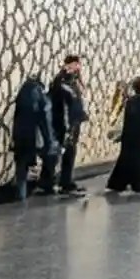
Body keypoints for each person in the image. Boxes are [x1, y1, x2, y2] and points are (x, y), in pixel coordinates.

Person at [42, 55, 89, 196]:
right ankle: (49, 181)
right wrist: (68, 125)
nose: (78, 67)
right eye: (75, 64)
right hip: (64, 123)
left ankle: (63, 181)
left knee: (69, 152)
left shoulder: (72, 81)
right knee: (60, 152)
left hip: (73, 122)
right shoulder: (62, 81)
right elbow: (64, 103)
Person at [106, 76, 140, 193]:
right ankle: (137, 185)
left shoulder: (132, 101)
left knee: (126, 159)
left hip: (130, 136)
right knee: (138, 161)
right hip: (139, 136)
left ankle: (117, 183)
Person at [11, 73, 60, 200]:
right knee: (48, 158)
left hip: (21, 136)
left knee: (21, 166)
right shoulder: (39, 95)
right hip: (35, 137)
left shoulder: (22, 94)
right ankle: (45, 184)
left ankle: (20, 195)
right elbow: (45, 119)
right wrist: (50, 141)